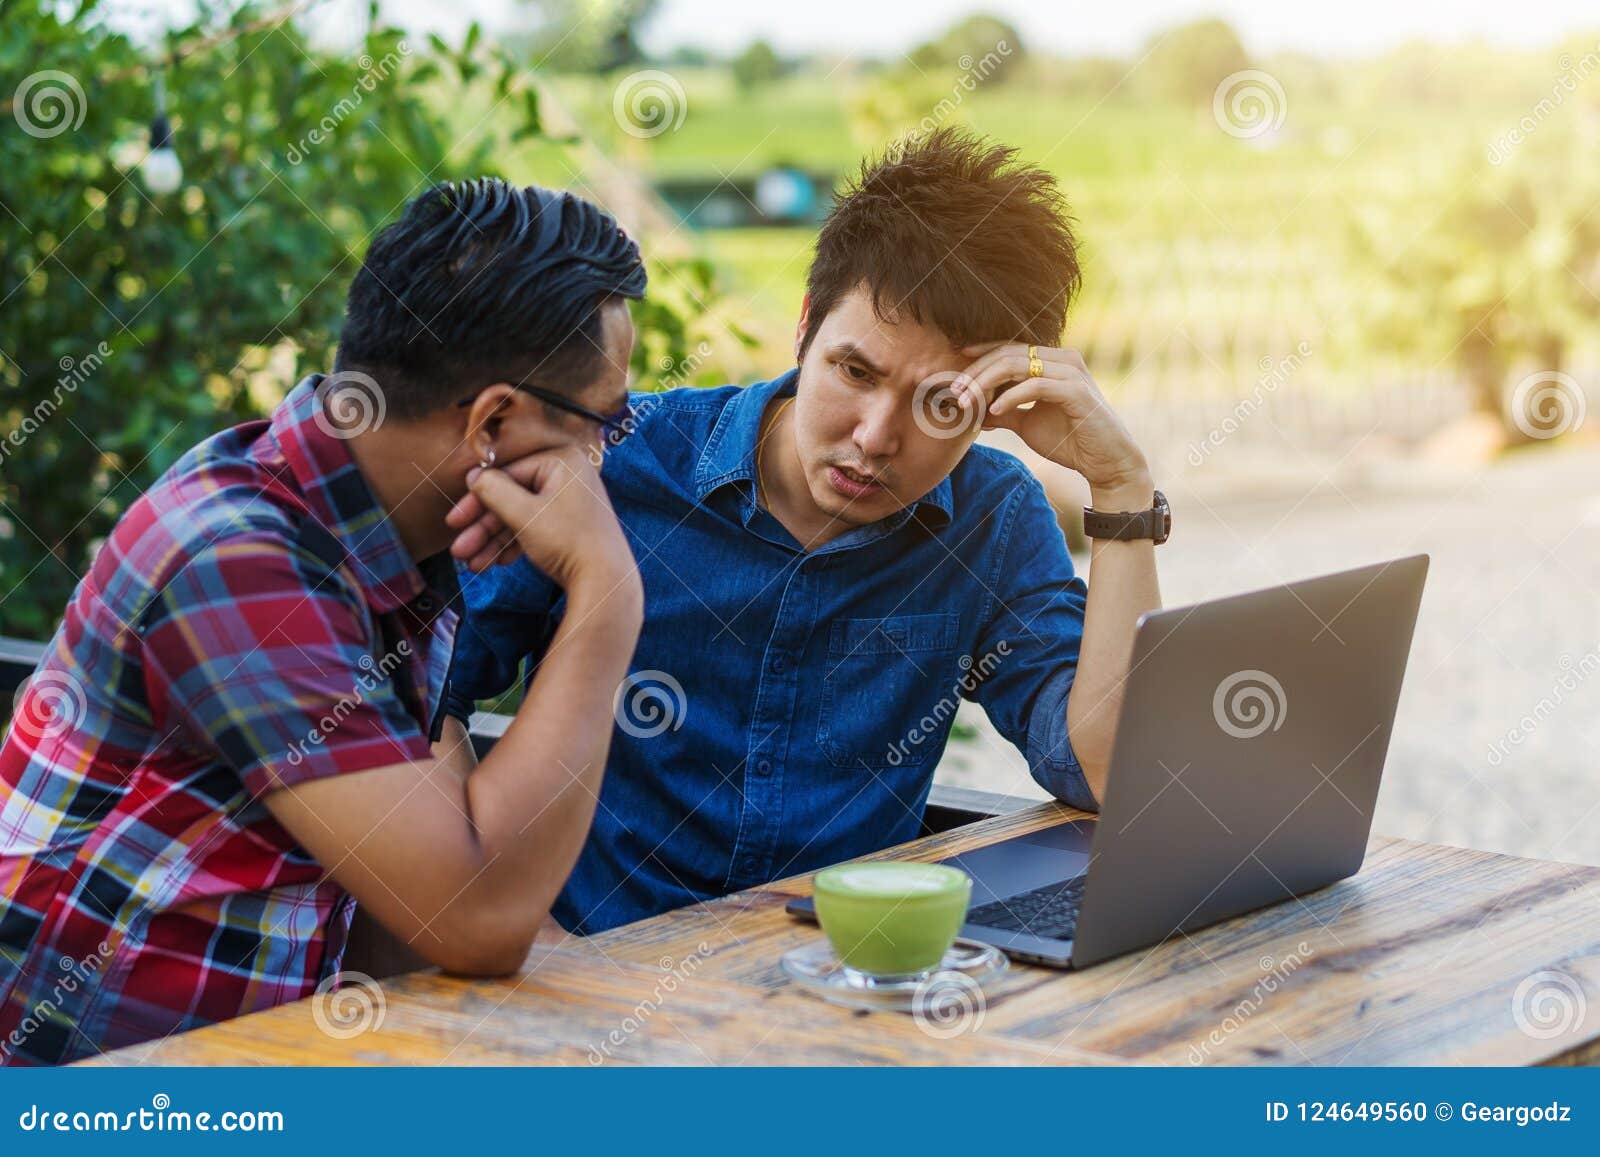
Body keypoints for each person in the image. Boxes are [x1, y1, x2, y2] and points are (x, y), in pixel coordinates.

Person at [446, 130, 1166, 935]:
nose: (874, 436)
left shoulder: (993, 519)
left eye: (940, 404)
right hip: (590, 985)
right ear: (803, 330)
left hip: (837, 993)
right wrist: (513, 927)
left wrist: (1121, 491)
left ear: (997, 403)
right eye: (854, 373)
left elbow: (1103, 771)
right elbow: (428, 692)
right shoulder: (614, 463)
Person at [0, 178, 646, 1064]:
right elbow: (474, 916)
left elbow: (411, 924)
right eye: (602, 424)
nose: (602, 462)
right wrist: (608, 595)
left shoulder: (388, 548)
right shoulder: (239, 562)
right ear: (493, 420)